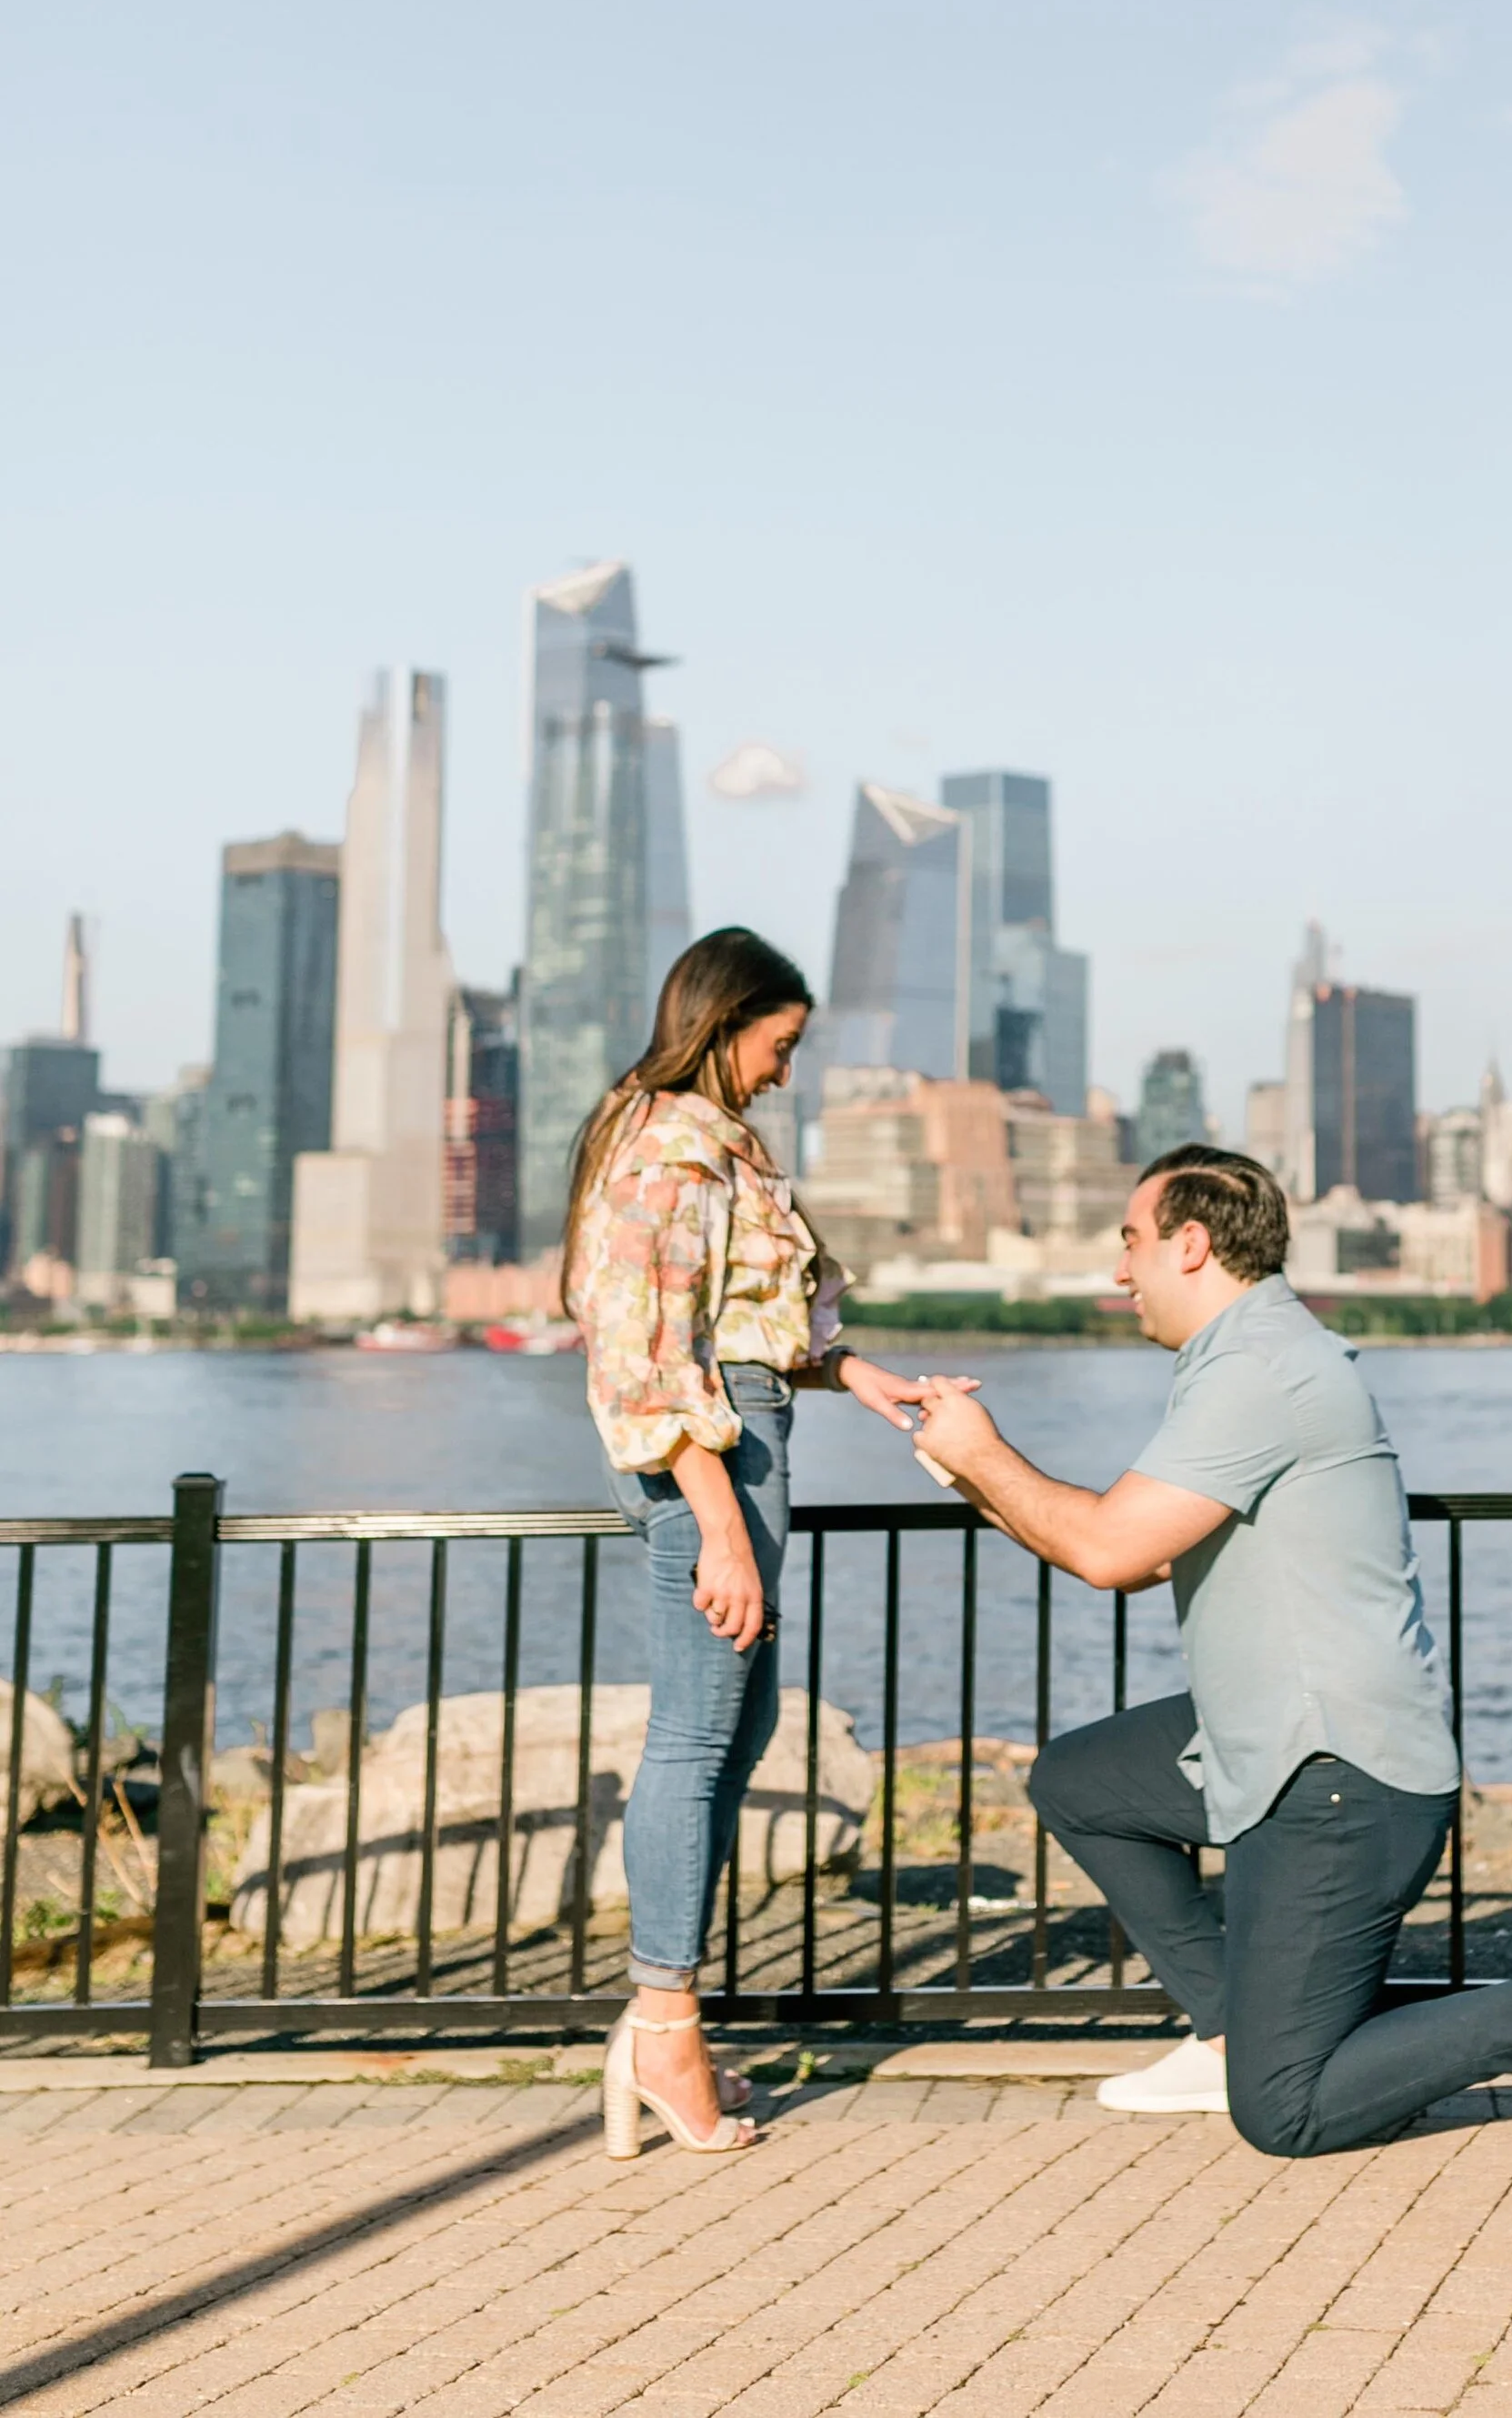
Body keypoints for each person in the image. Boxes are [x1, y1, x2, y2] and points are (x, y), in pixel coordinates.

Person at [910, 1144, 1512, 2160]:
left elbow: (1106, 1550)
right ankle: (1230, 2033)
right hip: (1270, 1740)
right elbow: (1134, 1560)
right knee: (1082, 1781)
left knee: (1286, 2113)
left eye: (1130, 1243)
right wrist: (968, 1471)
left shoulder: (1261, 1371)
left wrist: (984, 1453)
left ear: (1190, 1243)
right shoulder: (1240, 1361)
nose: (1119, 1271)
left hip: (1338, 1774)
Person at [565, 925, 946, 2158]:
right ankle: (664, 2025)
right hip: (712, 1455)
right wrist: (720, 1523)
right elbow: (647, 1354)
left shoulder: (709, 1140)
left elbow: (755, 1325)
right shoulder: (670, 1147)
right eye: (779, 1044)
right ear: (723, 1024)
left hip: (742, 1437)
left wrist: (861, 1374)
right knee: (695, 1736)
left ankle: (660, 2019)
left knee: (734, 1727)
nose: (787, 1069)